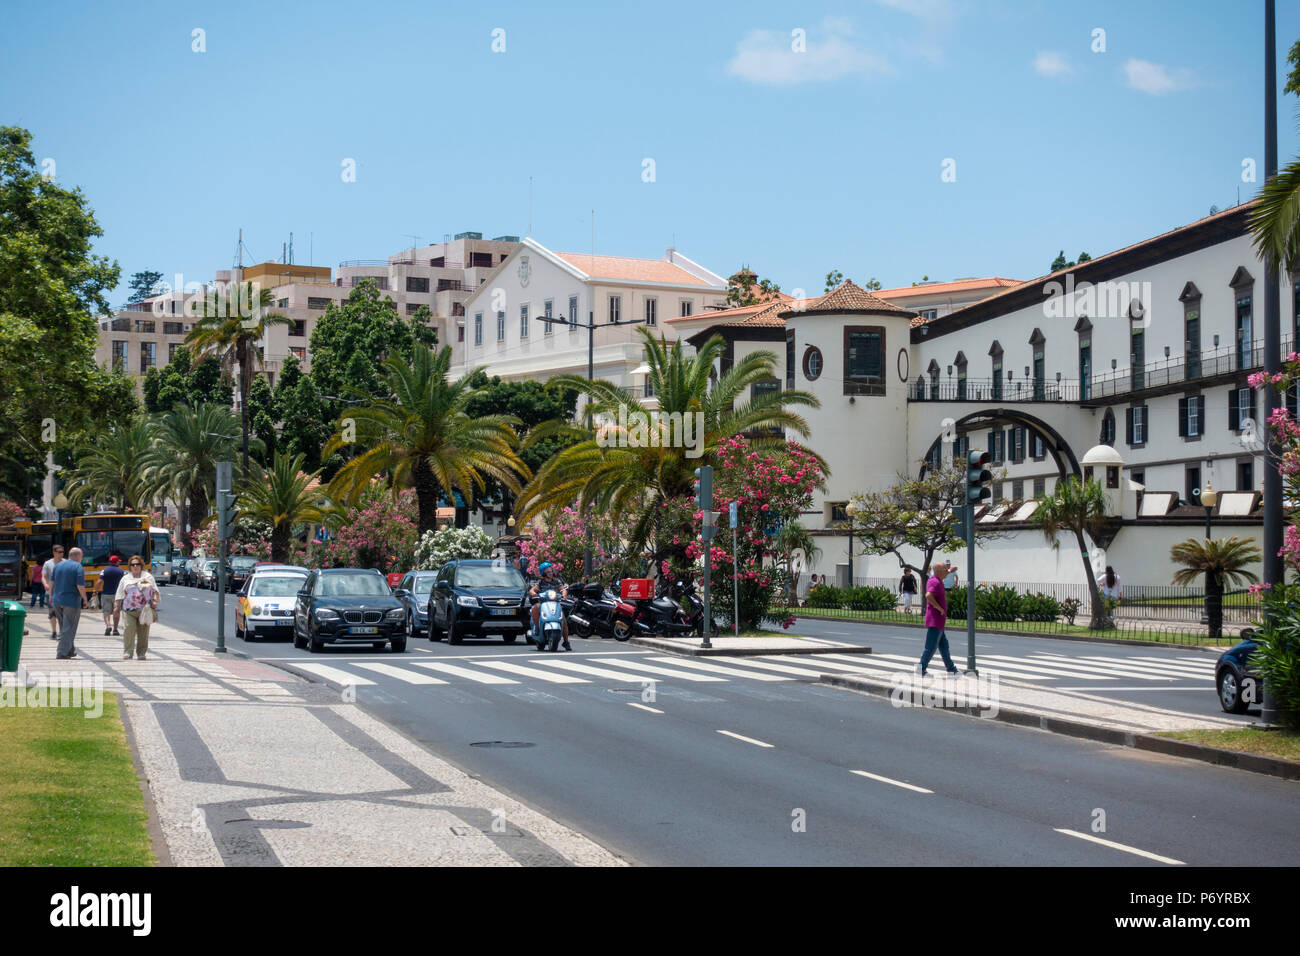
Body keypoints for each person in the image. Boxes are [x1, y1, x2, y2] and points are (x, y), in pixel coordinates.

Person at [916, 558, 961, 678]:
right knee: (931, 646)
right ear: (939, 571)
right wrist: (939, 608)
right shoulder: (935, 582)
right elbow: (928, 595)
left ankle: (951, 670)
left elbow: (946, 571)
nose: (947, 571)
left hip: (939, 621)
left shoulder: (938, 579)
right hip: (935, 619)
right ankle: (921, 669)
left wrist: (951, 570)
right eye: (945, 570)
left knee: (943, 646)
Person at [114, 554, 160, 661]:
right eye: (133, 564)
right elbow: (120, 592)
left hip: (144, 609)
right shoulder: (126, 578)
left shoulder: (147, 577)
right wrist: (116, 606)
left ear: (141, 565)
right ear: (130, 566)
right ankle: (128, 652)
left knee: (143, 632)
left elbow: (154, 590)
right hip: (128, 610)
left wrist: (154, 600)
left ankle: (141, 653)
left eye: (137, 564)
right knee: (128, 629)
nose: (135, 566)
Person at [49, 546, 88, 660]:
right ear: (78, 556)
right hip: (71, 601)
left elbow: (52, 582)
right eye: (81, 556)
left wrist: (51, 596)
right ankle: (61, 652)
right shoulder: (78, 566)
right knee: (69, 627)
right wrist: (85, 599)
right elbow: (80, 585)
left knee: (64, 627)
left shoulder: (58, 565)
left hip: (57, 600)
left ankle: (70, 649)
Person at [529, 562, 570, 650]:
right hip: (543, 603)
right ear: (543, 573)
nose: (550, 573)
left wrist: (564, 594)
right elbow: (532, 590)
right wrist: (534, 594)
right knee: (534, 608)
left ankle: (566, 642)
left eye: (551, 571)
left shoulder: (557, 581)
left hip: (555, 603)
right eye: (548, 572)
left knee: (564, 620)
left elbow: (562, 589)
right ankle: (537, 627)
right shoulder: (540, 582)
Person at [98, 555, 125, 636]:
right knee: (116, 611)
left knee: (106, 611)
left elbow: (99, 582)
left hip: (105, 594)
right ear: (116, 562)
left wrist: (95, 591)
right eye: (118, 561)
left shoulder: (104, 570)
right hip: (117, 595)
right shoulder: (121, 571)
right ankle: (115, 630)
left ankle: (108, 626)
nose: (119, 562)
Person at [42, 544, 64, 637]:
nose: (61, 554)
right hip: (50, 592)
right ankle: (54, 631)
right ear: (54, 553)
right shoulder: (48, 563)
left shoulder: (65, 562)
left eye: (62, 552)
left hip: (63, 592)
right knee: (52, 613)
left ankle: (62, 631)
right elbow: (43, 577)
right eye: (59, 552)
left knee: (62, 613)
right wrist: (45, 584)